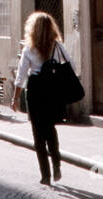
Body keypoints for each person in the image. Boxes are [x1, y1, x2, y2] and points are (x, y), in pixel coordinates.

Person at [11, 11, 73, 187]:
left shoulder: (29, 49)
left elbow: (21, 76)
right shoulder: (58, 46)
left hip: (36, 91)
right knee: (50, 128)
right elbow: (71, 66)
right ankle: (56, 164)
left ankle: (45, 175)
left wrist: (15, 98)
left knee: (38, 134)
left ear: (33, 29)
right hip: (53, 90)